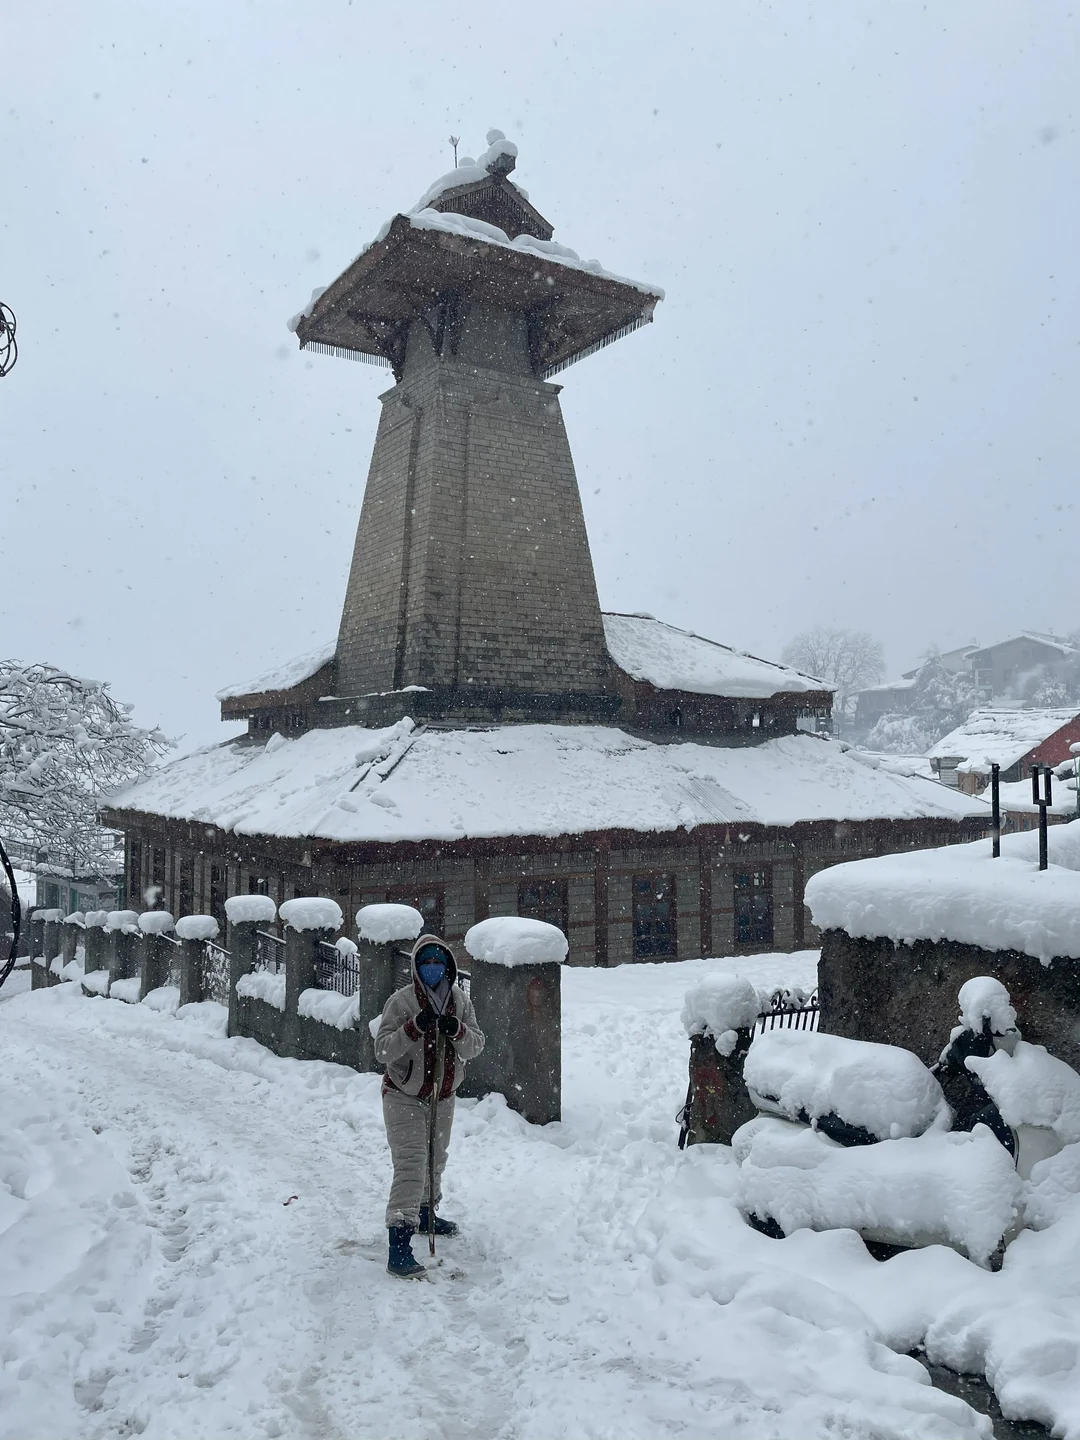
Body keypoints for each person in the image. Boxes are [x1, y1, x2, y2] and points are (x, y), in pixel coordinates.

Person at [374, 934, 485, 1278]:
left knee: (436, 1157)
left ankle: (425, 1213)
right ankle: (399, 1246)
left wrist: (458, 1031)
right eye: (427, 963)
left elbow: (476, 1045)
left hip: (442, 1095)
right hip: (403, 1095)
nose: (433, 968)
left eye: (439, 962)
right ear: (417, 968)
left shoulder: (460, 1002)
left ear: (448, 967)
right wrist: (413, 1028)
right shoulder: (401, 1002)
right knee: (411, 1164)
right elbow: (382, 1050)